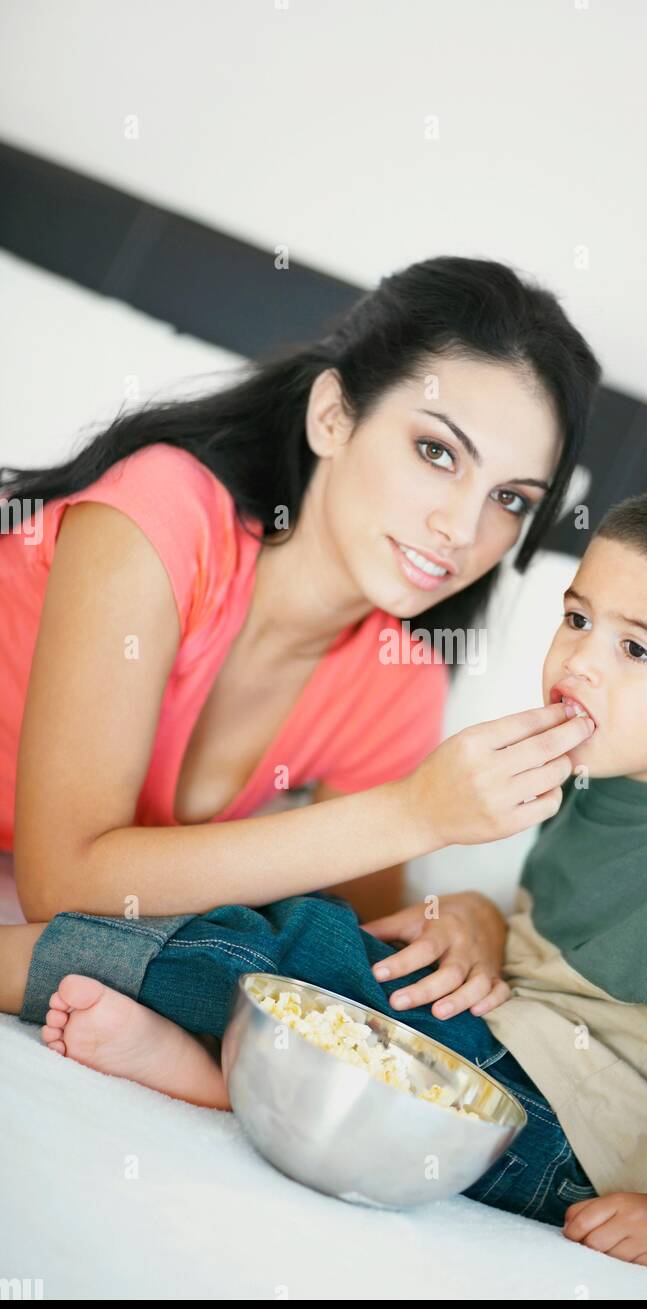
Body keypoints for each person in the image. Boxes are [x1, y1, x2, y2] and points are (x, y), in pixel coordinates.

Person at [16, 484, 647, 1268]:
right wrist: (476, 913)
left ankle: (34, 965)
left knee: (295, 951)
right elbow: (555, 950)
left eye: (633, 648)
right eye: (577, 619)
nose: (580, 661)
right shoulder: (603, 768)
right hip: (509, 1043)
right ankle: (225, 1079)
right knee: (322, 931)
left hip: (561, 1133)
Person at [0, 254, 601, 1023]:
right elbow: (63, 881)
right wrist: (415, 811)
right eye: (436, 452)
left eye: (510, 500)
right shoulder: (161, 515)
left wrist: (464, 918)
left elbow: (354, 929)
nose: (461, 528)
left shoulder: (395, 675)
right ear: (332, 416)